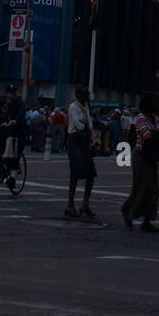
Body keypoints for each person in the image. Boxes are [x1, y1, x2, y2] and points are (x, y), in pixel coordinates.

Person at [121, 93, 159, 231]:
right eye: (154, 102)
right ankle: (128, 209)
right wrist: (158, 138)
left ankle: (147, 219)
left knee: (153, 188)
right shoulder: (140, 118)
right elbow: (148, 135)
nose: (157, 104)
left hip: (151, 155)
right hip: (141, 155)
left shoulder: (155, 118)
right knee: (141, 186)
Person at [0, 84, 26, 189]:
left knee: (14, 154)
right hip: (4, 129)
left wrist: (15, 121)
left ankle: (12, 176)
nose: (10, 95)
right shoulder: (1, 102)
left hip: (16, 132)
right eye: (9, 93)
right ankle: (1, 169)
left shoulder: (20, 103)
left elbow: (21, 114)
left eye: (12, 93)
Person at [65, 87, 97, 218]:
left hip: (84, 141)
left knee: (91, 174)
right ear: (78, 95)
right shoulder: (73, 107)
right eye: (85, 94)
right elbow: (78, 125)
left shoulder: (85, 107)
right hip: (75, 140)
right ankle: (70, 204)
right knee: (75, 174)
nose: (87, 96)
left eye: (88, 94)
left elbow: (89, 124)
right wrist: (86, 128)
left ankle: (85, 204)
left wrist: (89, 132)